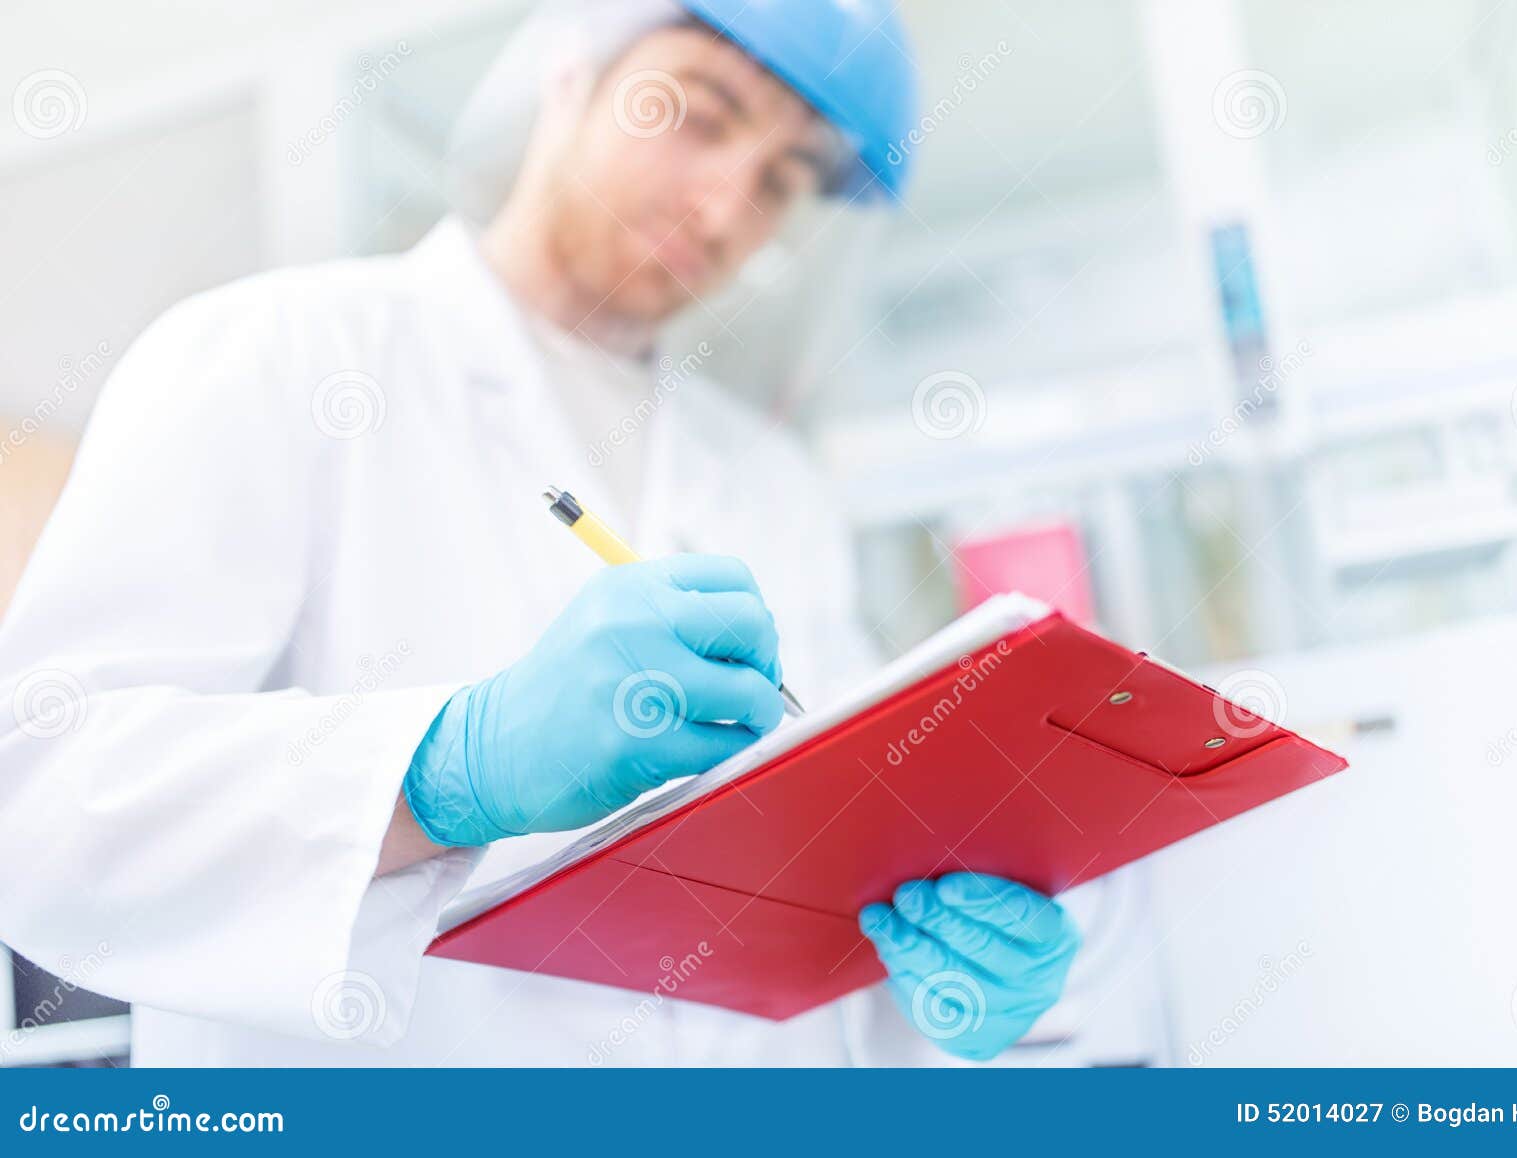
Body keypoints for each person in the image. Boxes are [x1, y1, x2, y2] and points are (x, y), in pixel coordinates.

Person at [0, 0, 1129, 1066]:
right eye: (698, 113)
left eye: (783, 178)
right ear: (571, 72)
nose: (728, 206)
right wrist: (442, 771)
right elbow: (41, 801)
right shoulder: (278, 353)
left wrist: (930, 970)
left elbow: (818, 869)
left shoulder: (772, 487)